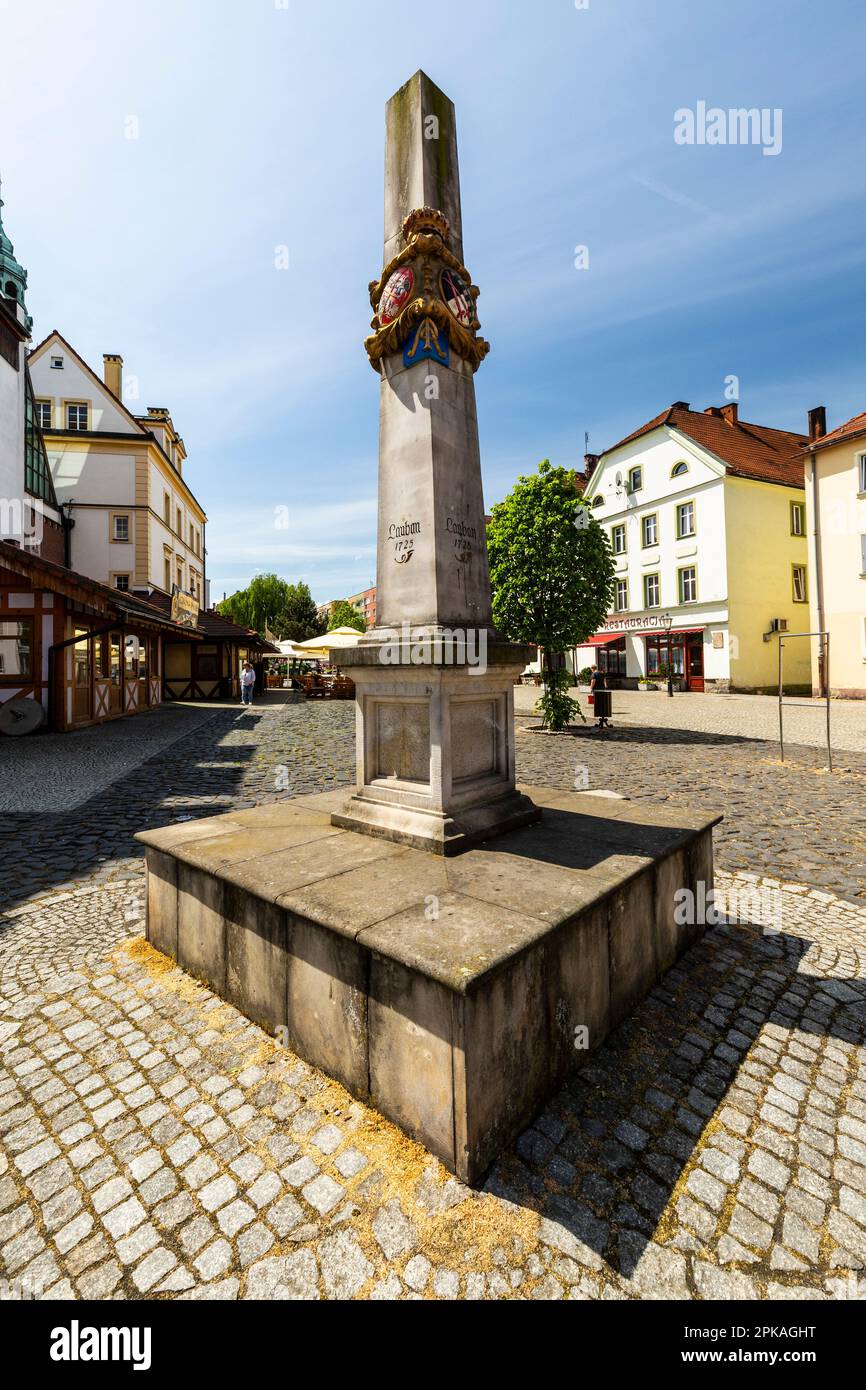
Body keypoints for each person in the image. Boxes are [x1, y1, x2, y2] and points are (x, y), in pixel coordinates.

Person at [589, 664, 613, 730]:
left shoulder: (594, 674)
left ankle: (599, 713)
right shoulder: (602, 673)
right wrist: (605, 687)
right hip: (602, 690)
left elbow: (593, 681)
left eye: (591, 669)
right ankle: (602, 713)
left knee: (598, 702)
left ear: (592, 668)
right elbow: (604, 681)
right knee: (602, 702)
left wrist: (591, 688)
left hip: (596, 690)